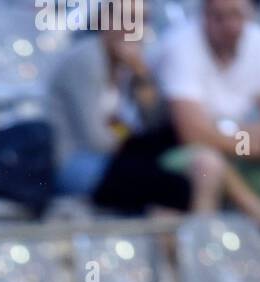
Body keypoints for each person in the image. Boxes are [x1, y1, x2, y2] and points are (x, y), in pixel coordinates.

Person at [157, 0, 260, 225]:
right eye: (219, 17)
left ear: (248, 15)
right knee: (209, 164)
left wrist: (237, 139)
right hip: (178, 152)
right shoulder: (180, 45)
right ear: (204, 16)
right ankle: (208, 246)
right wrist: (251, 145)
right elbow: (192, 134)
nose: (229, 25)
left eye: (235, 15)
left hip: (239, 147)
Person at [49, 15, 193, 215]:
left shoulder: (125, 65)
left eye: (143, 20)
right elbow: (96, 139)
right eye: (128, 18)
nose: (134, 28)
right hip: (80, 165)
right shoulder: (86, 59)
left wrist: (142, 74)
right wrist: (128, 135)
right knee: (174, 187)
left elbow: (152, 121)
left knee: (171, 144)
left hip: (113, 157)